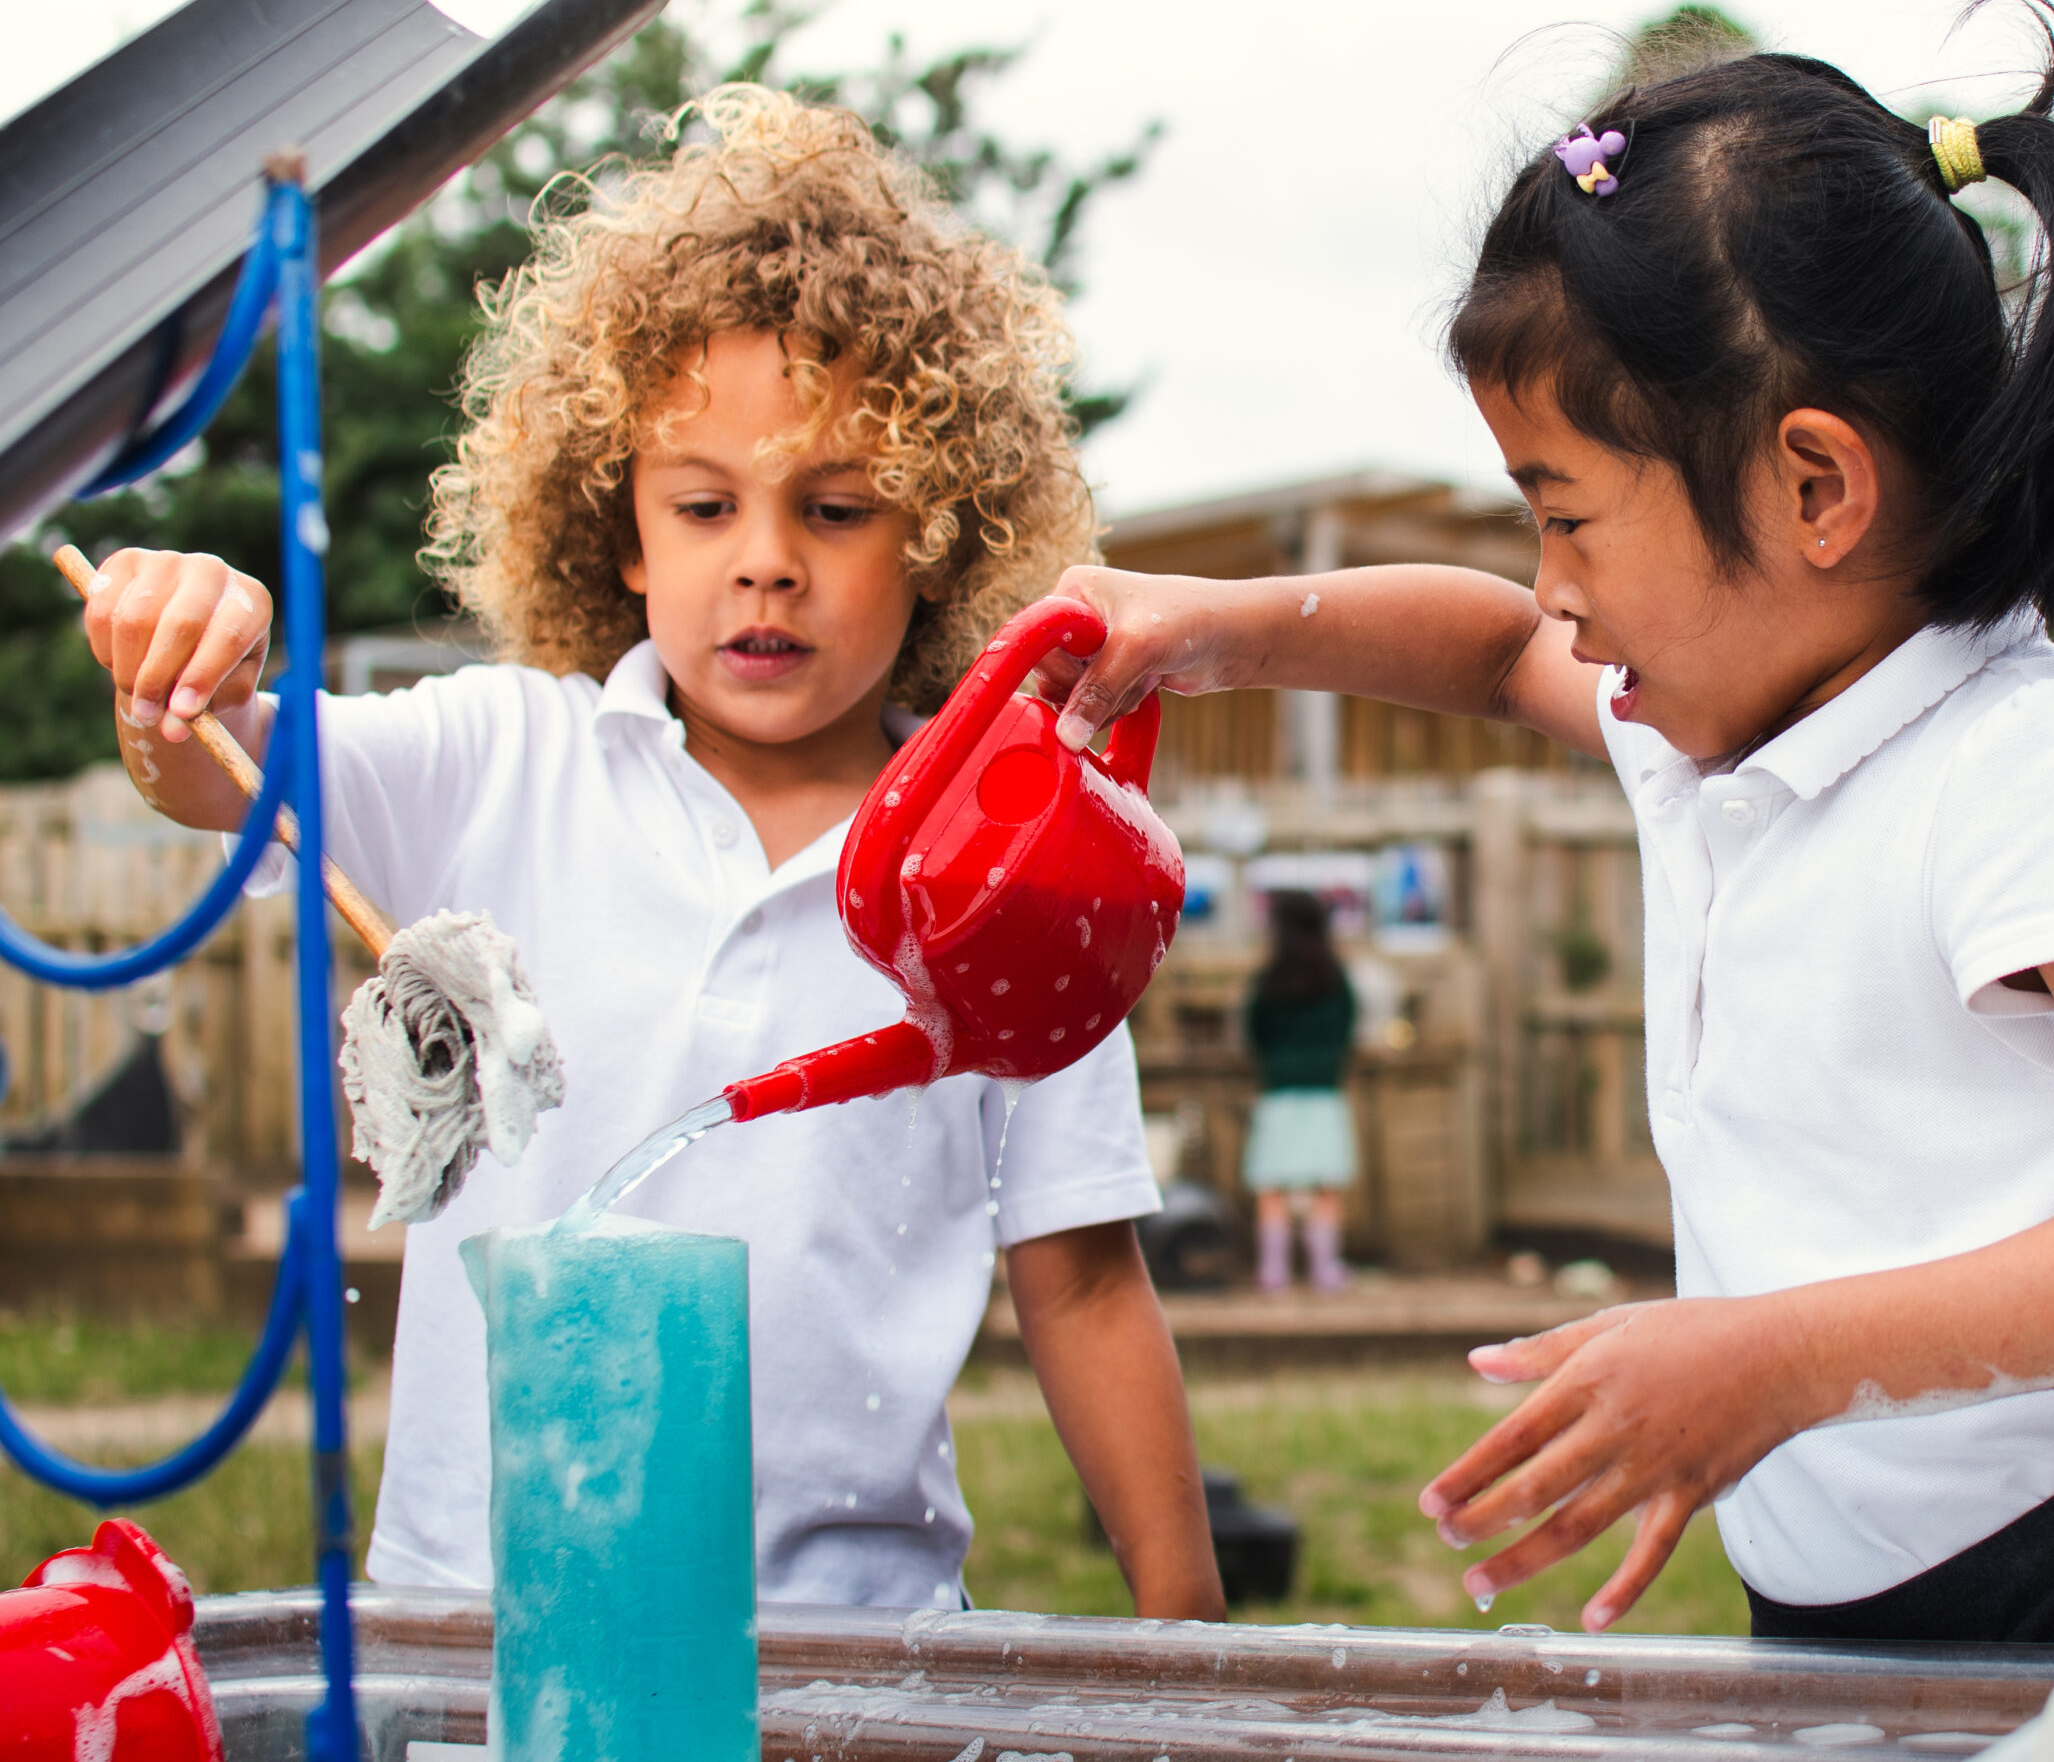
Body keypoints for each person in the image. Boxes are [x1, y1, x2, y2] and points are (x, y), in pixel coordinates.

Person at [1028, 3, 2054, 1647]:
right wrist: (1233, 620)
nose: (1555, 588)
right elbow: (1485, 643)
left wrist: (1779, 1355)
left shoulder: (2021, 771)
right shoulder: (1710, 734)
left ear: (1816, 487)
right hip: (1835, 1623)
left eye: (1569, 513)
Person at [77, 85, 1223, 1619]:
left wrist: (1188, 1633)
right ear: (620, 529)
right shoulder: (496, 761)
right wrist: (178, 650)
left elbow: (1080, 1280)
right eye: (703, 503)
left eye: (835, 505)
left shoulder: (1013, 870)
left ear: (937, 535)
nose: (765, 557)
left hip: (851, 1656)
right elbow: (210, 771)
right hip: (482, 1628)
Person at [1242, 889, 1358, 1291]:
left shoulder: (1268, 979)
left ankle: (1273, 1273)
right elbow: (1348, 1027)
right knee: (1326, 1185)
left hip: (1278, 1092)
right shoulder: (1335, 977)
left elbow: (1255, 1031)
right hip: (1324, 1092)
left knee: (1272, 1187)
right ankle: (1326, 1271)